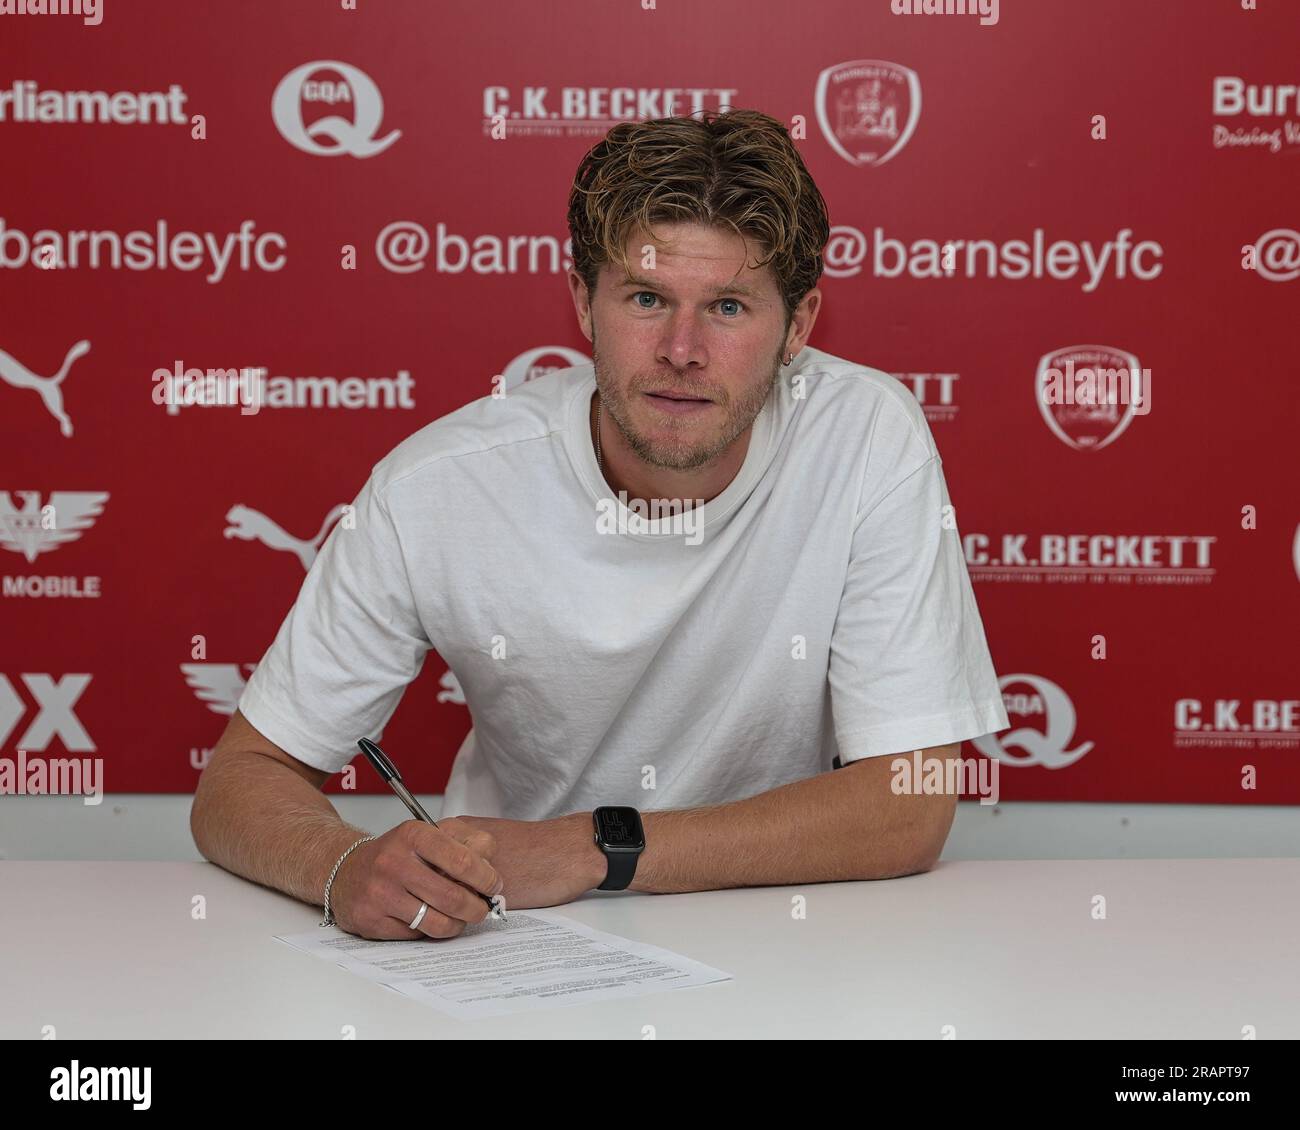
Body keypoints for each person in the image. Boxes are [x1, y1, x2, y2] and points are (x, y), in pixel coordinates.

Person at [191, 108, 1008, 942]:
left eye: (728, 307)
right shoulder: (437, 485)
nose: (682, 349)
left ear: (797, 327)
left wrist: (593, 848)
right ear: (583, 301)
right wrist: (343, 867)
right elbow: (239, 782)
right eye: (646, 297)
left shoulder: (868, 435)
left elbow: (910, 805)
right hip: (505, 933)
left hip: (783, 925)